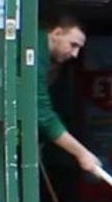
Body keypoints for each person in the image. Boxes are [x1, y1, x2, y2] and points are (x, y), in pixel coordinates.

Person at [37, 15, 101, 173]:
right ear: (57, 33)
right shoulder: (33, 54)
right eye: (73, 45)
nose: (75, 54)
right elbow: (41, 112)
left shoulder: (38, 51)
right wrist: (82, 153)